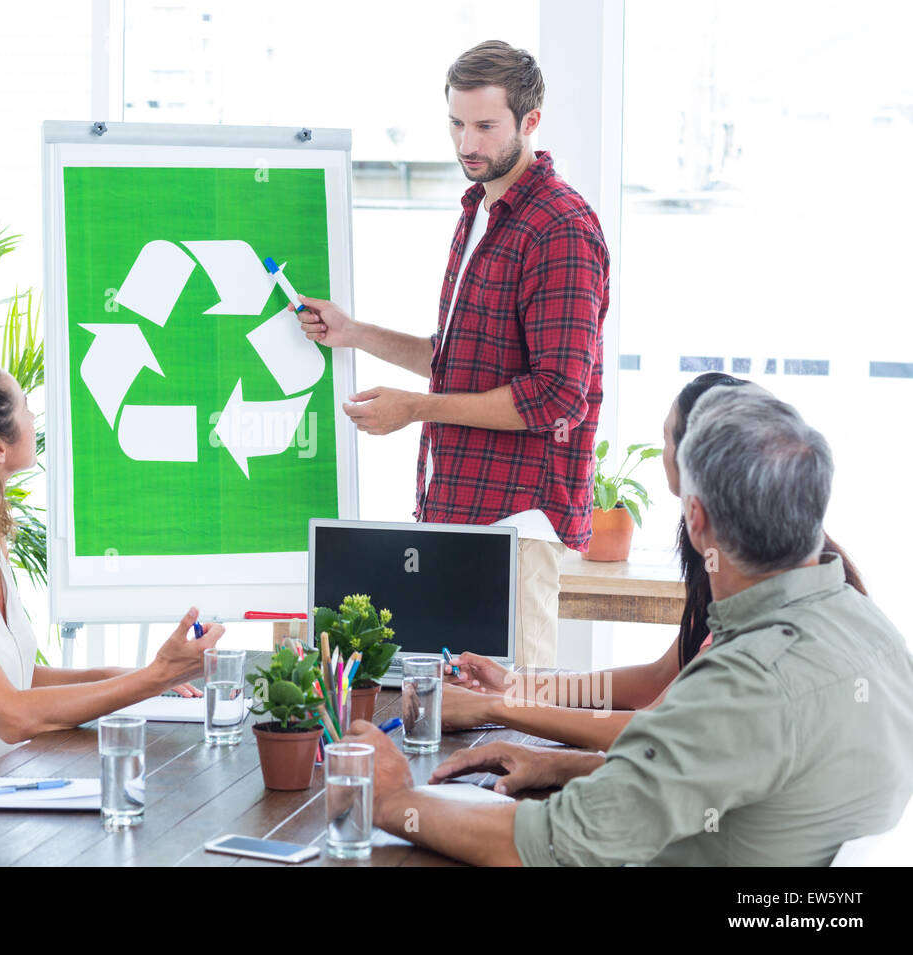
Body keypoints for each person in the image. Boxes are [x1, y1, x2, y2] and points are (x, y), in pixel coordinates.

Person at [347, 385, 913, 865]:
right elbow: (707, 758)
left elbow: (545, 848)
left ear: (695, 518)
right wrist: (561, 763)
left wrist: (395, 800)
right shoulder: (868, 626)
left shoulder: (747, 682)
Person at [292, 40, 609, 668]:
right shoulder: (481, 213)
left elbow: (555, 396)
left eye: (486, 126)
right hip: (460, 518)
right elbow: (460, 361)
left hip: (517, 531)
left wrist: (416, 408)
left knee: (516, 727)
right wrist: (354, 334)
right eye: (457, 124)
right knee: (449, 731)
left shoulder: (560, 228)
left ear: (531, 121)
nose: (468, 143)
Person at [440, 373, 867, 750]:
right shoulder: (756, 556)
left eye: (668, 437)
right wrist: (518, 685)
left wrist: (495, 707)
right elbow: (659, 679)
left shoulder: (751, 586)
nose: (664, 452)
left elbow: (652, 731)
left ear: (698, 457)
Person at [0, 357, 224, 813]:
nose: (32, 416)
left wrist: (114, 676)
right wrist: (151, 679)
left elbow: (9, 677)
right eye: (24, 406)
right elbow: (10, 713)